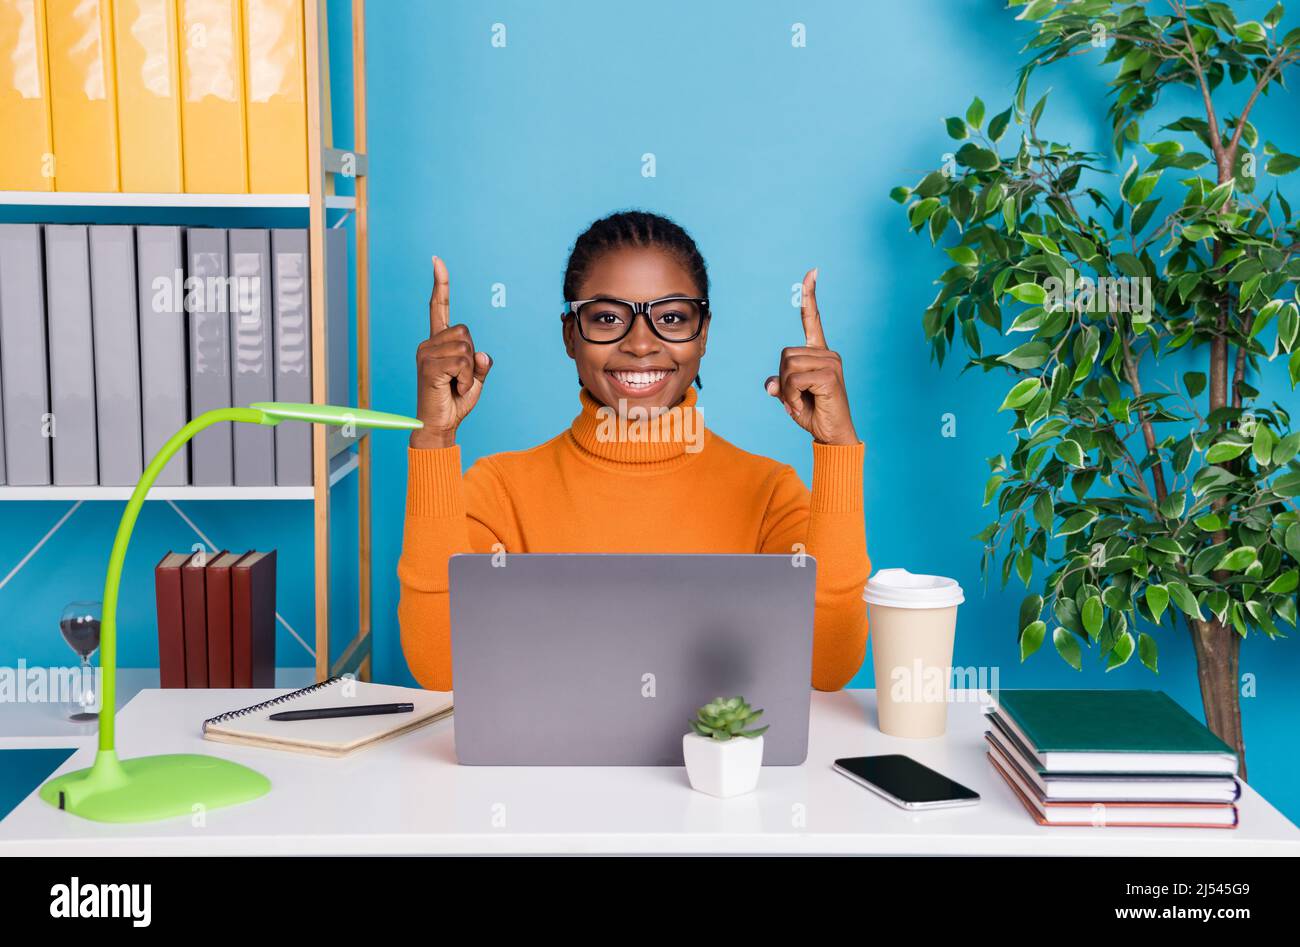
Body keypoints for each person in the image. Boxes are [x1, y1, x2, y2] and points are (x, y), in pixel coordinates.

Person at [398, 210, 870, 691]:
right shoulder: (499, 490)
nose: (641, 344)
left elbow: (827, 665)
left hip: (712, 765)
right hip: (549, 767)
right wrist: (434, 437)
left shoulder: (769, 495)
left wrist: (837, 448)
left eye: (671, 317)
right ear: (569, 335)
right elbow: (440, 667)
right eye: (606, 318)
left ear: (703, 333)